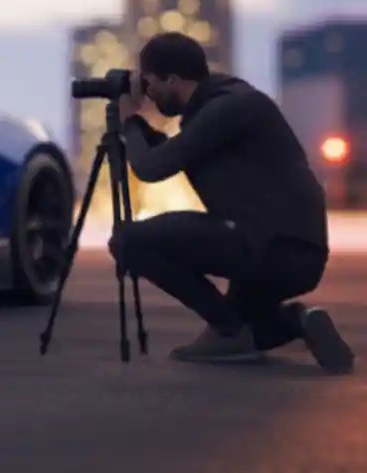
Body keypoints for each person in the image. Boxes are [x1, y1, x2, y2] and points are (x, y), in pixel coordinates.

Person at [112, 31, 354, 373]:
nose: (147, 94)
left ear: (172, 79)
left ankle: (229, 332)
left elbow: (151, 168)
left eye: (149, 84)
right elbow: (170, 153)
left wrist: (130, 121)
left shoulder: (226, 108)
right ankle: (298, 321)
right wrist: (140, 130)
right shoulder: (227, 102)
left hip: (265, 245)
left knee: (128, 242)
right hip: (295, 253)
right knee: (251, 328)